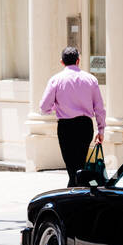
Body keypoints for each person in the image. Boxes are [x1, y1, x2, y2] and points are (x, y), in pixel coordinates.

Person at [39, 47, 106, 188]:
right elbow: (99, 107)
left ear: (61, 62)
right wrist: (101, 130)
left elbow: (44, 108)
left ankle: (74, 192)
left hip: (66, 126)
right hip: (85, 125)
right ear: (78, 61)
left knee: (71, 167)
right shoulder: (91, 79)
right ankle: (80, 190)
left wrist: (56, 107)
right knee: (80, 163)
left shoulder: (55, 80)